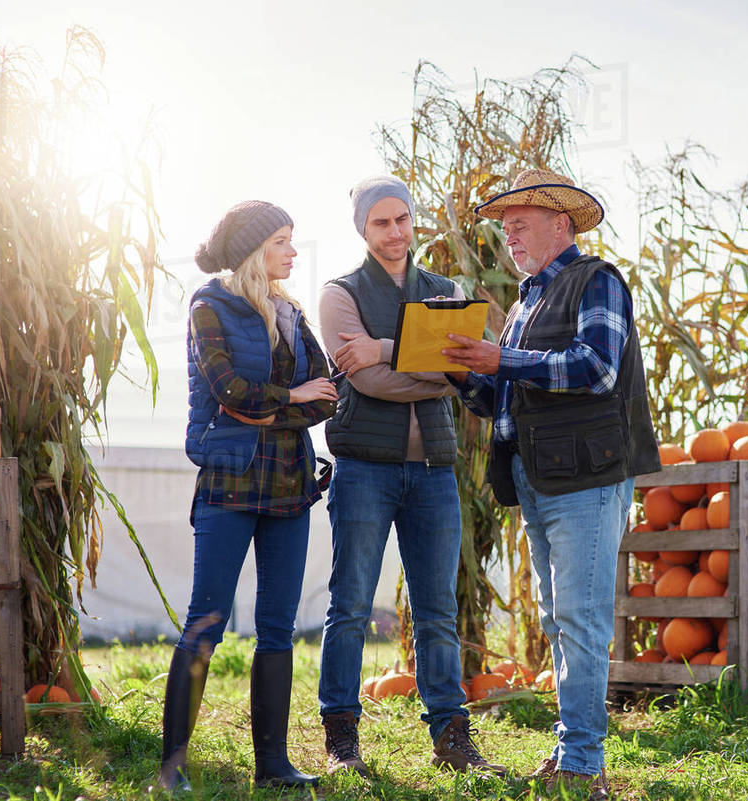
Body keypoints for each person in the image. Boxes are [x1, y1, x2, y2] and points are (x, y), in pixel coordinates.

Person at [441, 169, 661, 799]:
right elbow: (504, 401)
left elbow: (594, 368)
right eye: (504, 227)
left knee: (582, 620)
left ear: (560, 223)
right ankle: (572, 749)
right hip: (539, 479)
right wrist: (460, 372)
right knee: (561, 618)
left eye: (520, 224)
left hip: (587, 479)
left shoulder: (595, 282)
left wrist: (499, 358)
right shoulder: (524, 303)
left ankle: (585, 766)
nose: (508, 235)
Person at [315, 175, 503, 777]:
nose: (395, 232)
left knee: (436, 610)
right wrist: (425, 363)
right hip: (365, 469)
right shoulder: (339, 295)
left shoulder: (446, 292)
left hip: (433, 473)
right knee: (350, 605)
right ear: (363, 229)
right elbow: (366, 383)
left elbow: (462, 373)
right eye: (381, 222)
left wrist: (386, 350)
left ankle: (451, 738)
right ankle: (342, 739)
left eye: (402, 219)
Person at [157, 200, 338, 791]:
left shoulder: (291, 312)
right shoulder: (209, 306)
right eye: (282, 240)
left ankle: (274, 765)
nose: (292, 251)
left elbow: (326, 394)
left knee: (278, 626)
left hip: (289, 480)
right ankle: (173, 767)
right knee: (206, 620)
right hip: (229, 480)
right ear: (254, 251)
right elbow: (228, 389)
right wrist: (287, 399)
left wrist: (276, 405)